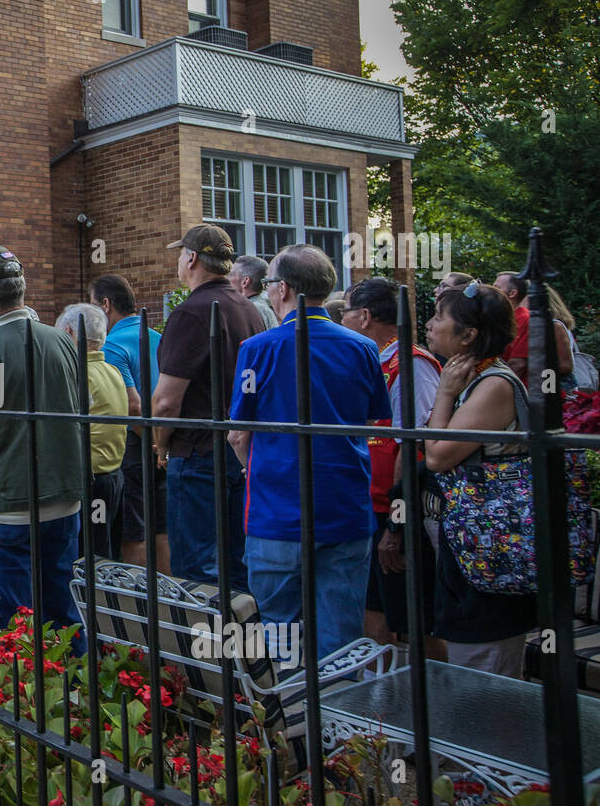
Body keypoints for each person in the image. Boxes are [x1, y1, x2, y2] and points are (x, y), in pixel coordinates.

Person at [228, 245, 391, 661]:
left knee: (279, 640)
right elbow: (373, 421)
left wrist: (255, 467)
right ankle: (341, 720)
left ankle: (289, 722)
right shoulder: (362, 348)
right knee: (341, 642)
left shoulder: (257, 349)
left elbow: (238, 434)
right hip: (346, 505)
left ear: (282, 289)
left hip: (276, 508)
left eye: (268, 285)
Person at [0, 245, 86, 654]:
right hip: (65, 502)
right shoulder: (62, 342)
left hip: (8, 508)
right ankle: (79, 699)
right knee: (64, 615)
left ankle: (26, 707)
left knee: (15, 621)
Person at [424, 282, 537, 677]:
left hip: (494, 556)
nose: (429, 325)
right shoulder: (474, 379)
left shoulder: (494, 385)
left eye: (440, 318)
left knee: (485, 680)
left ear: (469, 335)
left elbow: (436, 455)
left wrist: (443, 393)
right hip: (472, 549)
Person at [154, 225, 262, 590]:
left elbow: (167, 401)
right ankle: (243, 641)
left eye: (180, 252)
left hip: (197, 451)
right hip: (241, 448)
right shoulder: (248, 309)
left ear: (192, 258)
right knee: (237, 560)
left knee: (196, 569)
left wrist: (161, 443)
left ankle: (205, 643)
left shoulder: (191, 312)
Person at [341, 278, 444, 658]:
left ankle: (435, 698)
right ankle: (382, 703)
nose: (342, 320)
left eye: (346, 312)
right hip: (371, 507)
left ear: (365, 317)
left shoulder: (412, 366)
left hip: (396, 513)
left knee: (416, 619)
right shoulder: (372, 361)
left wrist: (397, 527)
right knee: (374, 614)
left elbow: (413, 448)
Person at [89, 273, 169, 573]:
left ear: (106, 305)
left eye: (93, 304)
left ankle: (138, 609)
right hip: (164, 441)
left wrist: (150, 443)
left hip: (134, 446)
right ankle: (168, 604)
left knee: (132, 534)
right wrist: (163, 445)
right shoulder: (158, 337)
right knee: (161, 529)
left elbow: (132, 405)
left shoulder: (111, 344)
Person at [57, 302, 127, 559]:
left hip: (90, 479)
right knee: (107, 554)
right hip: (114, 475)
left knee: (89, 558)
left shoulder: (75, 373)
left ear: (68, 332)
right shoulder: (113, 370)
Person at [228, 255, 280, 330]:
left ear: (245, 281)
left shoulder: (247, 311)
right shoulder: (264, 308)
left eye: (231, 274)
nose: (227, 279)